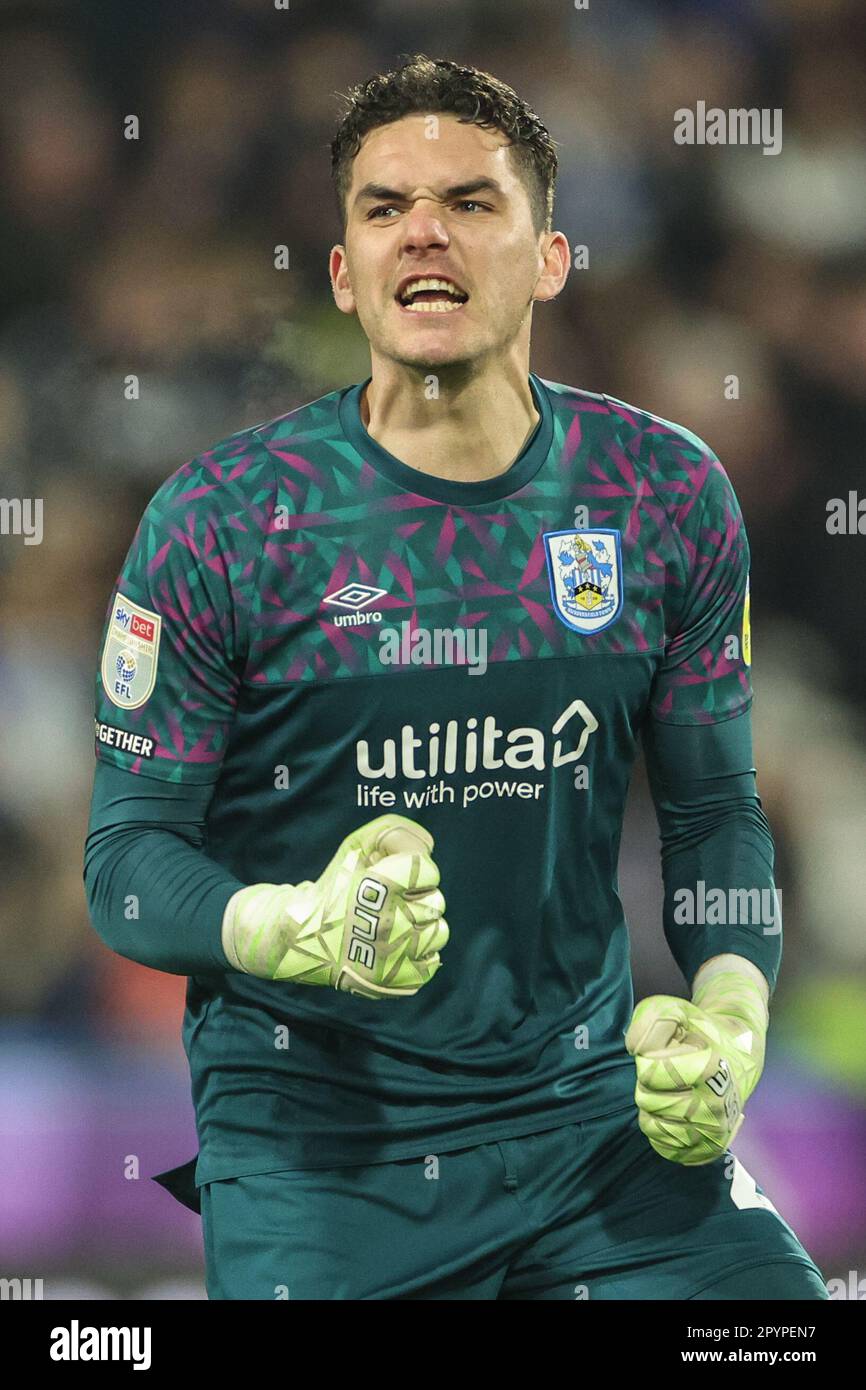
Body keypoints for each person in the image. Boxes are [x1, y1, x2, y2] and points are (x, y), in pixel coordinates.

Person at [84, 54, 827, 1300]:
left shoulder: (660, 493)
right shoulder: (221, 524)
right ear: (343, 272)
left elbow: (711, 813)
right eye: (382, 208)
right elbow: (124, 864)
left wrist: (733, 1018)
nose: (422, 229)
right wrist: (289, 927)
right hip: (318, 1152)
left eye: (470, 202)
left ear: (549, 258)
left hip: (590, 1128)